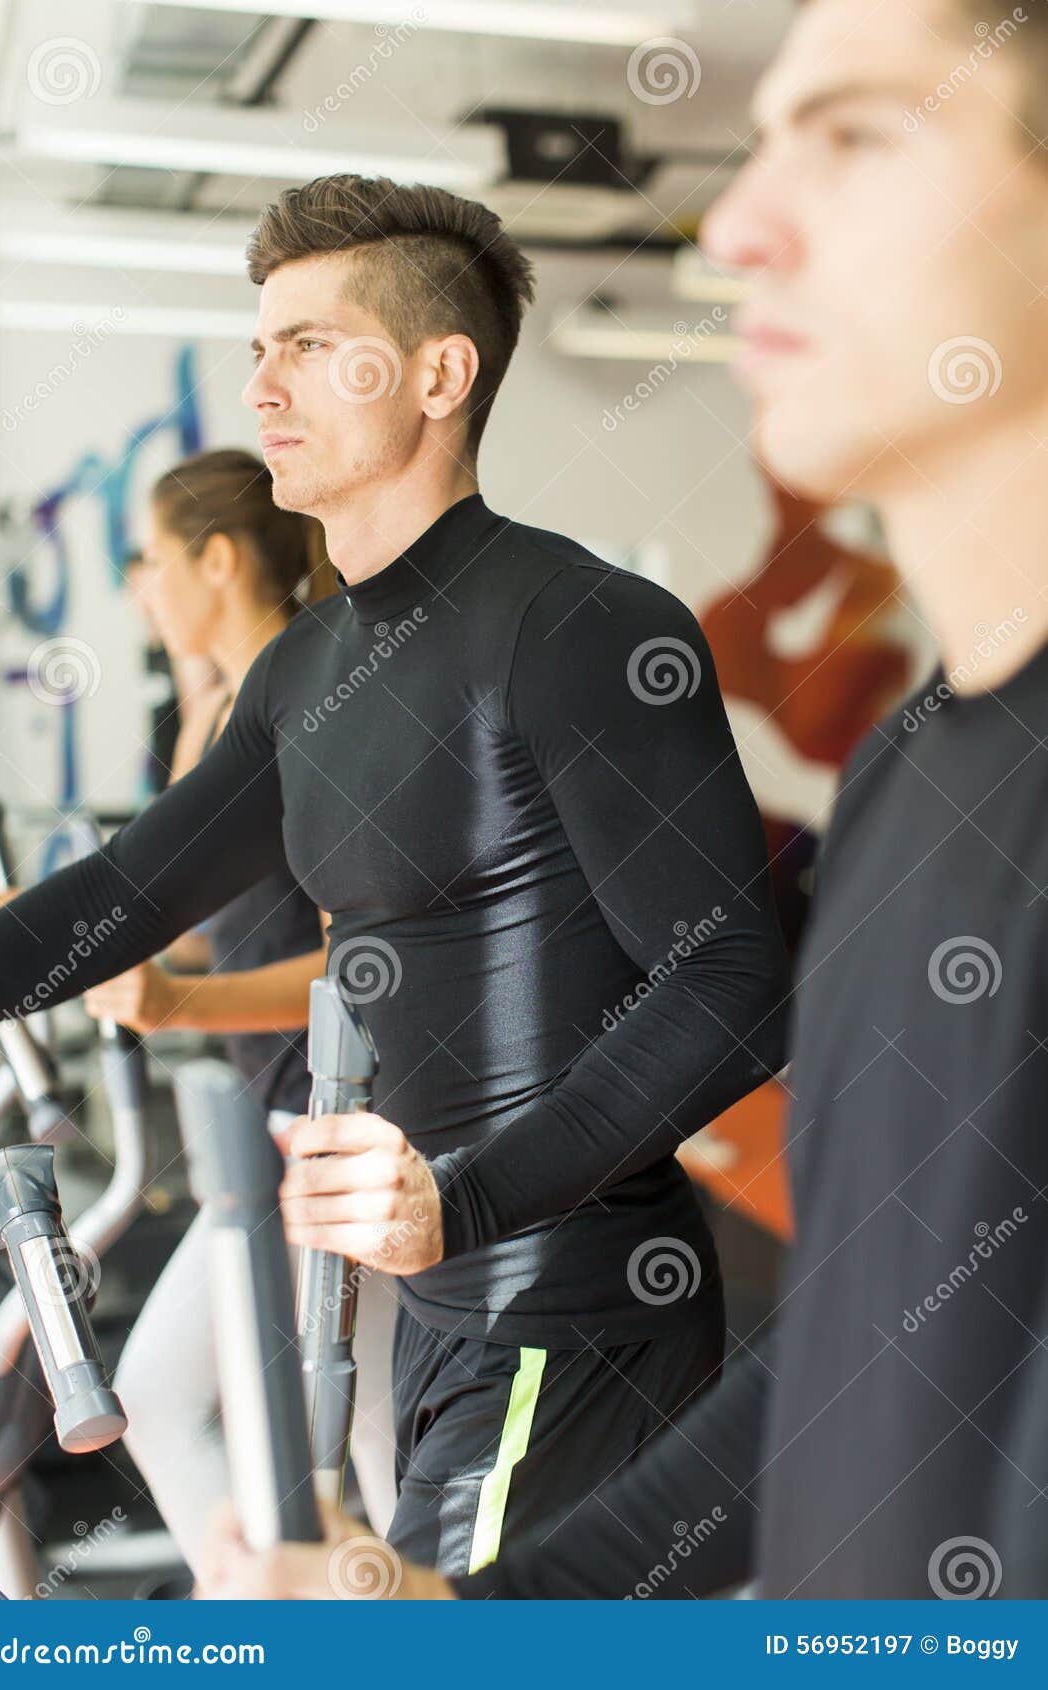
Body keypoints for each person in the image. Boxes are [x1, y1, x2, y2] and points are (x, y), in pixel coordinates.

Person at [198, 0, 1048, 1600]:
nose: (734, 223)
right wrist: (465, 1620)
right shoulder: (913, 778)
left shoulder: (583, 633)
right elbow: (851, 1362)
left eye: (853, 135)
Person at [0, 178, 789, 1576]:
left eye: (307, 344)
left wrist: (461, 1200)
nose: (262, 384)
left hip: (569, 1308)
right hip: (435, 1310)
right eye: (259, 348)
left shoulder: (577, 625)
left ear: (437, 374)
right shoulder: (307, 671)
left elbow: (732, 981)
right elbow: (125, 891)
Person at [84, 449, 399, 1573]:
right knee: (365, 1438)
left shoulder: (304, 706)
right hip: (274, 1117)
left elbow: (360, 960)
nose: (140, 588)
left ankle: (295, 1620)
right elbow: (190, 918)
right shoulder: (213, 711)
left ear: (216, 560)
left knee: (184, 1403)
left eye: (150, 559)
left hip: (334, 1120)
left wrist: (182, 1002)